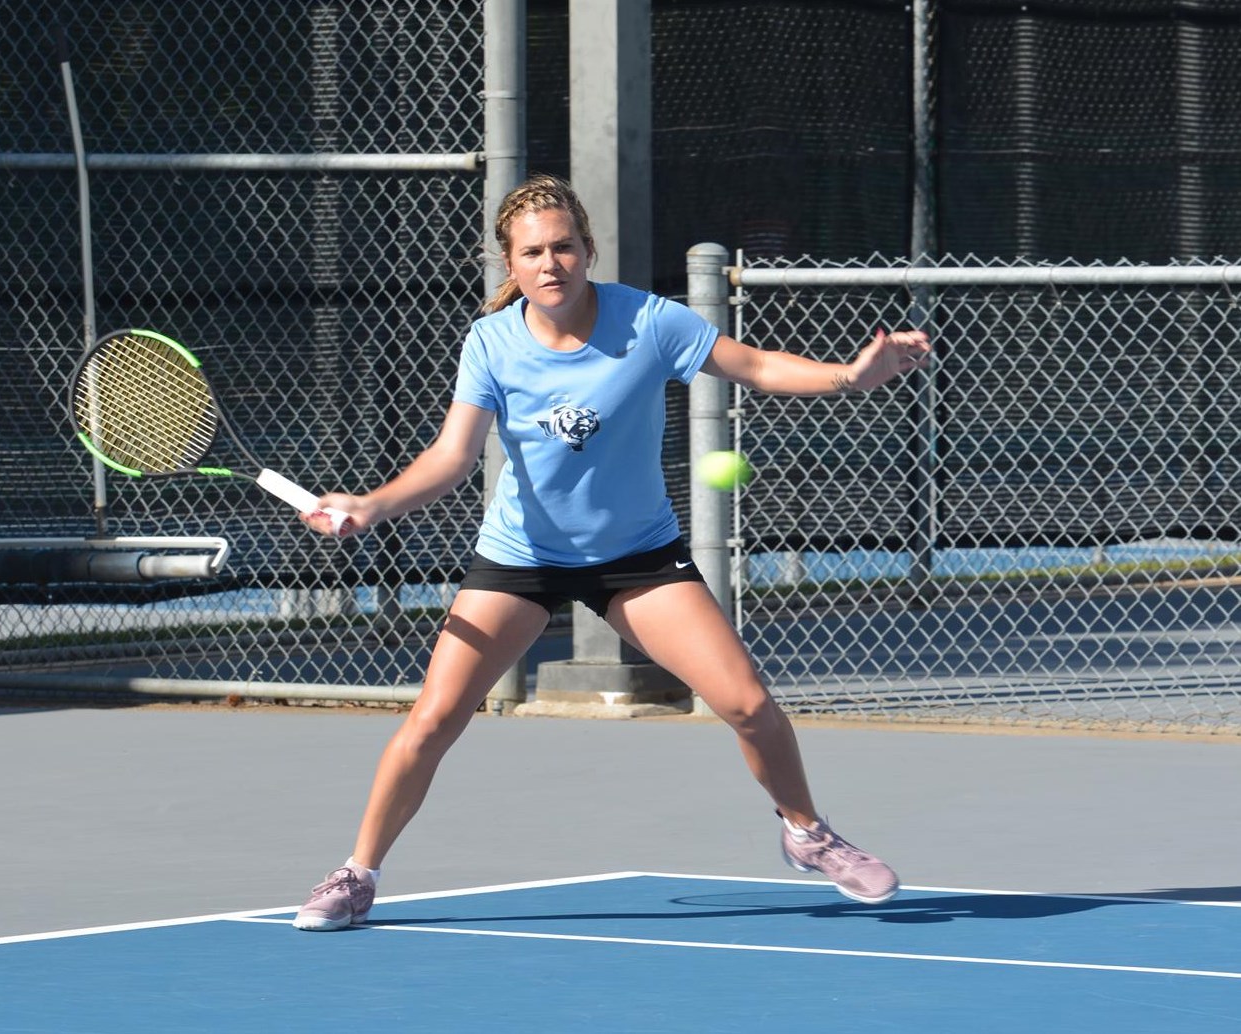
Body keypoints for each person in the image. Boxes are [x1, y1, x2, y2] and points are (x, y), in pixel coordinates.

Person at [291, 173, 931, 931]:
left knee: (748, 704)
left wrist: (849, 376)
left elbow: (755, 366)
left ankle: (806, 833)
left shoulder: (650, 322)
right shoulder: (491, 342)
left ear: (588, 250)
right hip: (522, 557)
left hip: (636, 557)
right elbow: (452, 457)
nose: (551, 263)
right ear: (510, 264)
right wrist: (373, 503)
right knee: (433, 719)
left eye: (564, 246)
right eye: (533, 252)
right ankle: (356, 874)